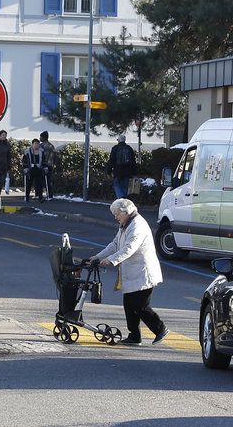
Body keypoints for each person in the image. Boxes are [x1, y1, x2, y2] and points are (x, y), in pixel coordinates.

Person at [92, 198, 168, 346]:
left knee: (140, 305)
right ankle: (134, 336)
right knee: (129, 304)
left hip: (143, 272)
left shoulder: (137, 225)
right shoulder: (125, 225)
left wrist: (111, 260)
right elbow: (115, 244)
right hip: (133, 274)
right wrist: (98, 257)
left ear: (125, 212)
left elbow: (129, 248)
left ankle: (160, 328)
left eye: (116, 213)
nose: (115, 216)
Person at [108, 134, 137, 198]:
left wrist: (109, 171)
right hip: (127, 172)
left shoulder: (115, 148)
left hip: (117, 171)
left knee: (117, 185)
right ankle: (124, 199)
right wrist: (134, 173)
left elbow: (111, 161)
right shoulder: (129, 148)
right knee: (125, 186)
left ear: (119, 140)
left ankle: (120, 198)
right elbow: (133, 161)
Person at [22, 139, 45, 203]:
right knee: (29, 184)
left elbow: (44, 161)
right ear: (32, 144)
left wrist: (45, 167)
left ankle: (40, 198)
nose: (36, 145)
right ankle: (27, 197)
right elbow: (24, 161)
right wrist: (25, 168)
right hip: (30, 169)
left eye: (37, 144)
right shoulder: (27, 151)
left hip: (38, 169)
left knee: (40, 184)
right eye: (35, 144)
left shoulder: (41, 151)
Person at [39, 131, 57, 199]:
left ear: (43, 137)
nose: (39, 138)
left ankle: (39, 194)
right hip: (51, 165)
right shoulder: (51, 146)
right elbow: (55, 156)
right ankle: (50, 195)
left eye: (40, 137)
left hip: (44, 165)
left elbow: (41, 156)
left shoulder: (42, 146)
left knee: (40, 180)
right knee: (49, 180)